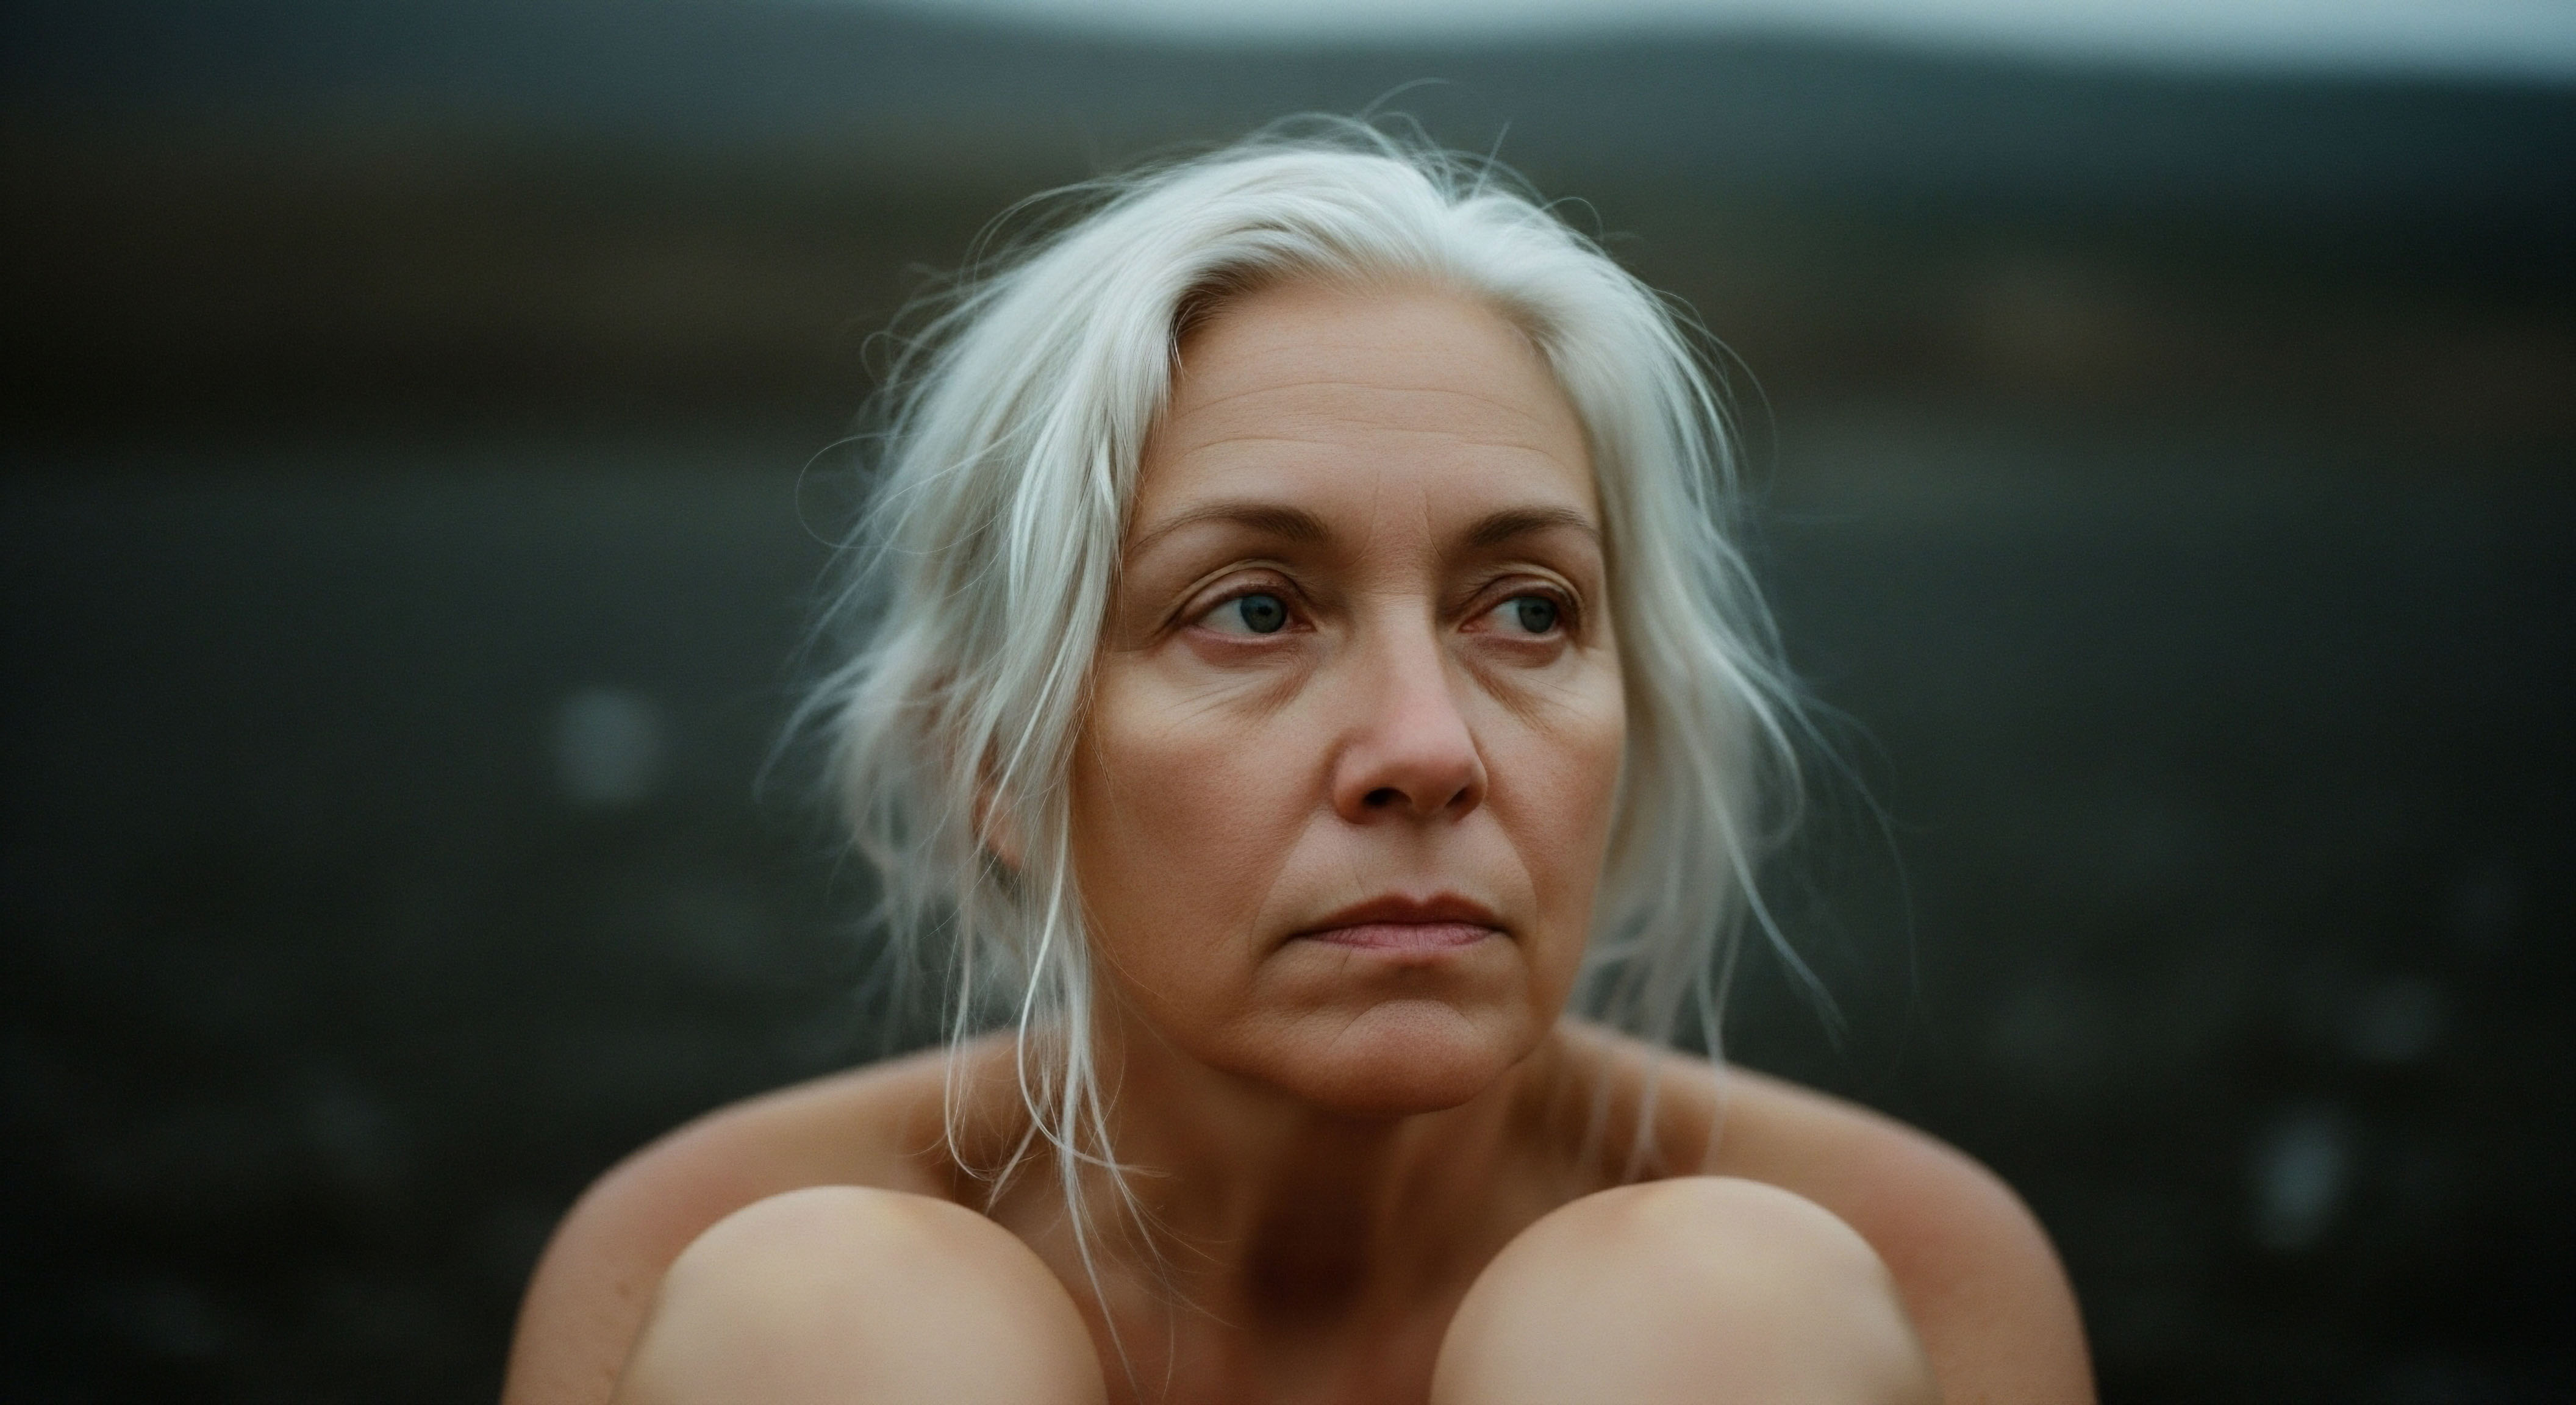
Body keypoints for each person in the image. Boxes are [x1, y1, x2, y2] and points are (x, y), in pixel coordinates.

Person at [500, 121, 2093, 1405]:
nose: (1426, 749)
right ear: (996, 757)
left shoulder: (1909, 1272)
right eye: (1252, 610)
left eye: (1529, 611)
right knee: (831, 1324)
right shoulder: (686, 1267)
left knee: (1718, 1319)